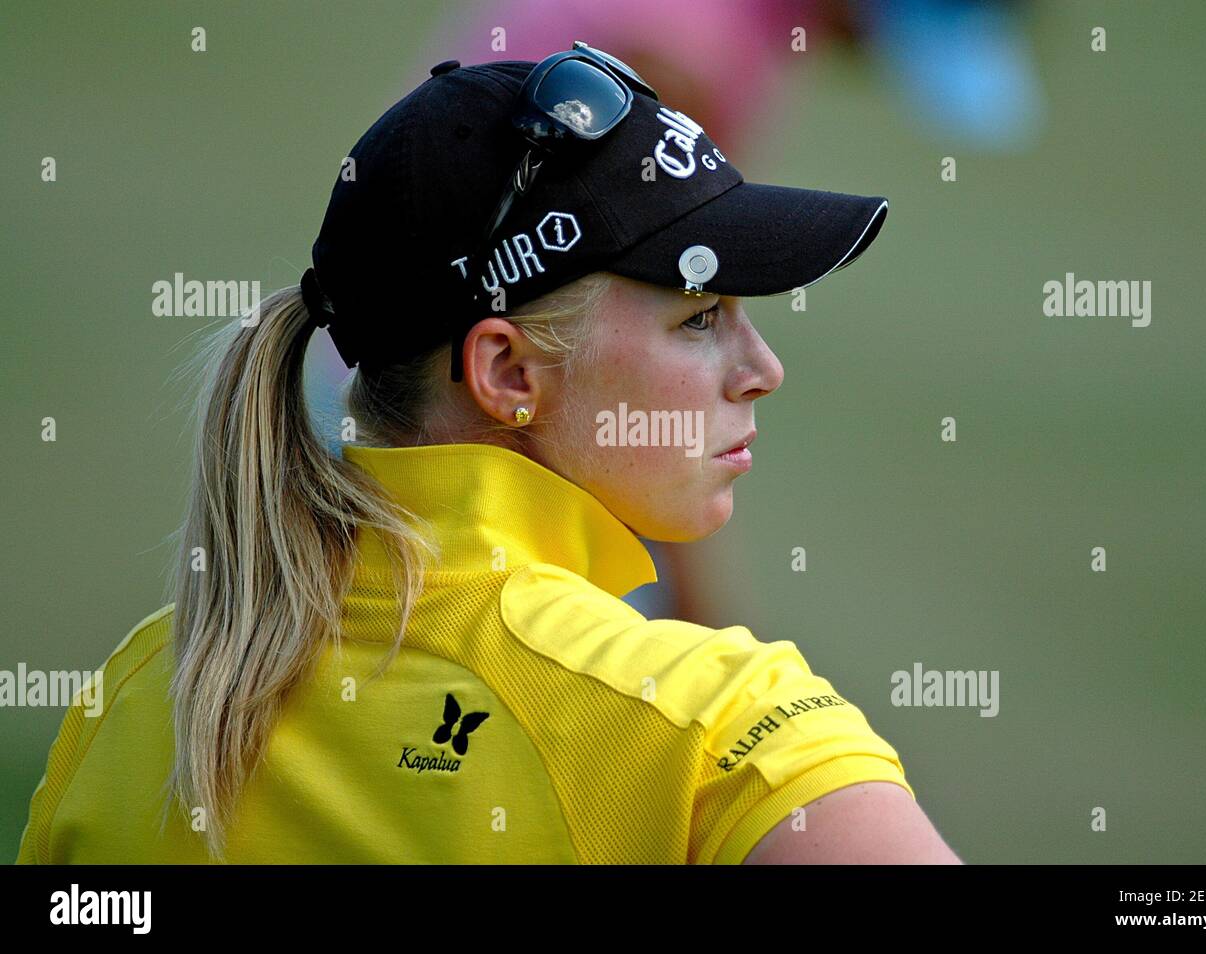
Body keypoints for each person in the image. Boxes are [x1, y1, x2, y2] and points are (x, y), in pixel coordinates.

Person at [16, 46, 960, 864]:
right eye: (700, 316)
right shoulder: (715, 724)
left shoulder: (138, 700)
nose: (763, 369)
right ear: (508, 371)